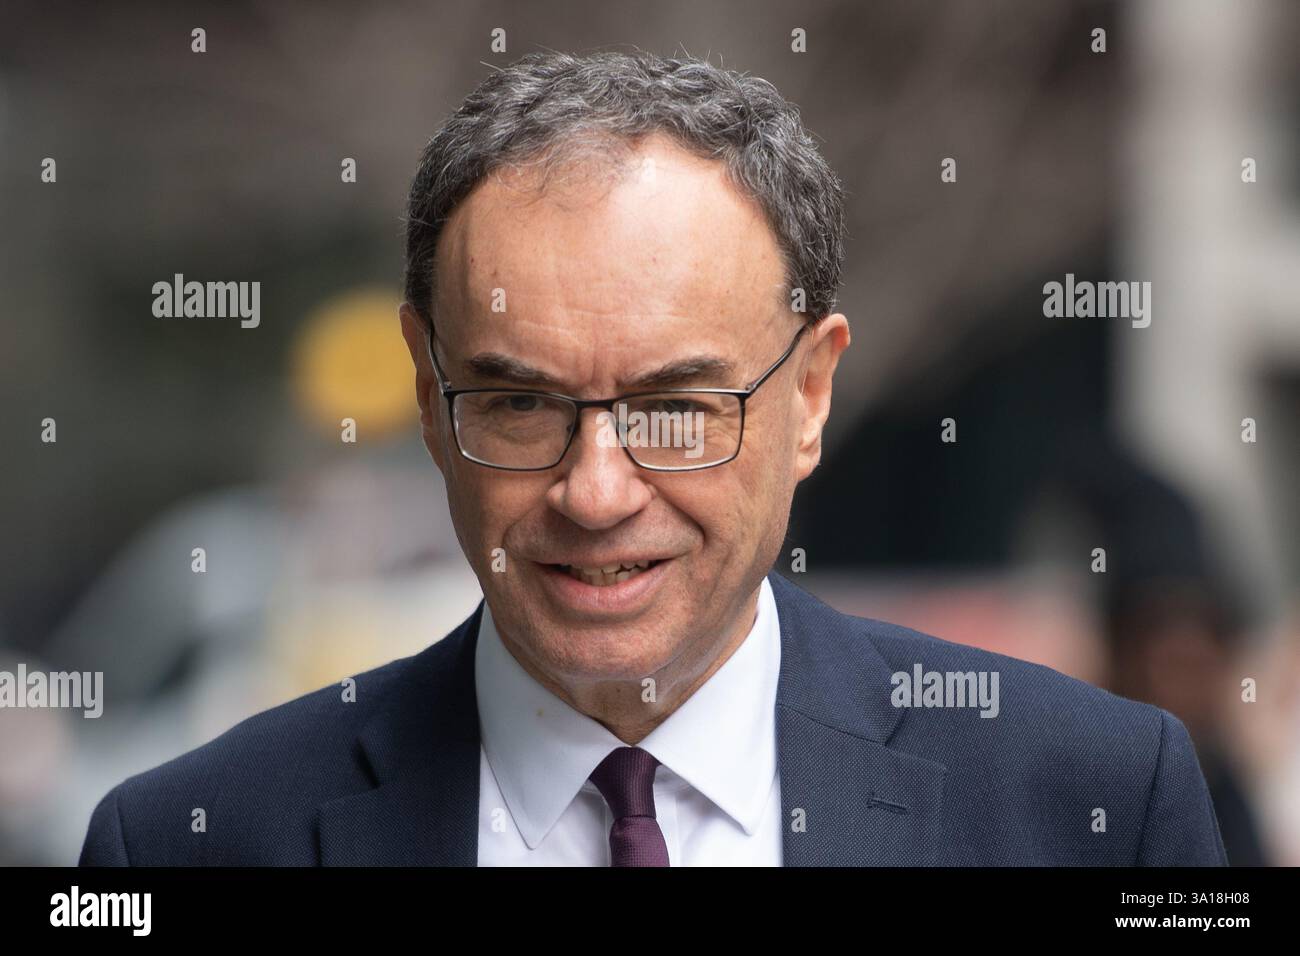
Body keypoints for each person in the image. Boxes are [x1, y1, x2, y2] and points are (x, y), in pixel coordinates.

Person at [80, 49, 1226, 866]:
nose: (595, 489)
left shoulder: (1092, 803)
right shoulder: (192, 839)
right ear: (428, 397)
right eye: (520, 403)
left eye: (678, 406)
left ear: (811, 393)